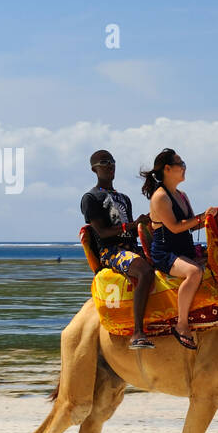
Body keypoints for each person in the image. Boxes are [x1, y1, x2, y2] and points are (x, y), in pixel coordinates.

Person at [80, 149, 155, 349]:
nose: (110, 165)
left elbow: (131, 231)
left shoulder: (124, 198)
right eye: (104, 162)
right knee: (145, 271)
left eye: (112, 162)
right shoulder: (91, 197)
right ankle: (137, 332)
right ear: (94, 169)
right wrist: (133, 224)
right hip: (111, 251)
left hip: (131, 248)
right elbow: (102, 232)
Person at [141, 148, 206, 349]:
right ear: (168, 169)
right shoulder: (160, 197)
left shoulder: (182, 195)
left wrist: (212, 217)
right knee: (194, 273)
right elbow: (176, 227)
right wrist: (201, 218)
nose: (185, 167)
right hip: (165, 252)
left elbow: (193, 224)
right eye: (181, 163)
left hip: (184, 248)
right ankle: (182, 325)